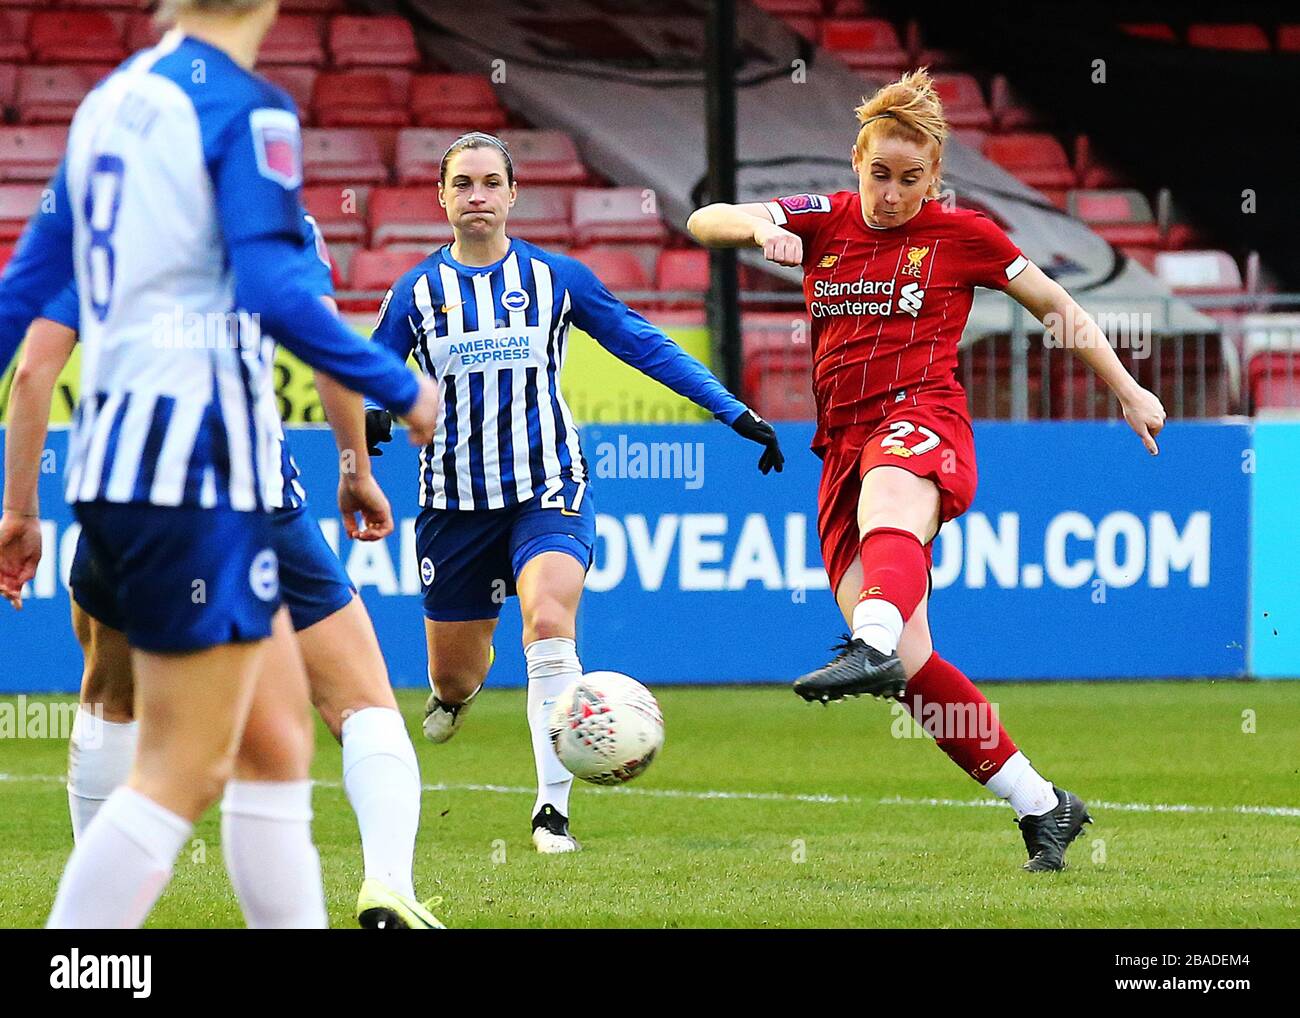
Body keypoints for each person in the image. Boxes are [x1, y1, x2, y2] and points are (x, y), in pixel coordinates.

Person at [0, 0, 438, 927]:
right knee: (182, 772)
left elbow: (24, 303)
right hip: (201, 473)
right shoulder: (248, 109)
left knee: (277, 745)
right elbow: (278, 291)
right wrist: (398, 386)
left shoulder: (108, 105)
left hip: (115, 470)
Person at [686, 69, 1167, 871]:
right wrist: (755, 230)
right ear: (857, 162)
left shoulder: (964, 235)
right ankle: (1043, 805)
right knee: (912, 667)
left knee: (889, 510)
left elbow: (1057, 306)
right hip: (839, 446)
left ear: (934, 179)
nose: (892, 193)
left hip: (921, 418)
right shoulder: (823, 220)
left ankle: (865, 638)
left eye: (911, 179)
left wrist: (1128, 389)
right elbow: (707, 217)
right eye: (879, 173)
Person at [365, 131, 784, 853]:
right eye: (462, 185)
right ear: (441, 197)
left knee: (549, 619)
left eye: (490, 183)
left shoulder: (558, 278)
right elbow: (368, 367)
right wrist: (374, 411)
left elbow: (641, 343)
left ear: (512, 194)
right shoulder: (416, 292)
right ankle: (455, 694)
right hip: (453, 504)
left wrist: (731, 408)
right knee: (456, 674)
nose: (477, 198)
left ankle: (550, 812)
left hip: (547, 485)